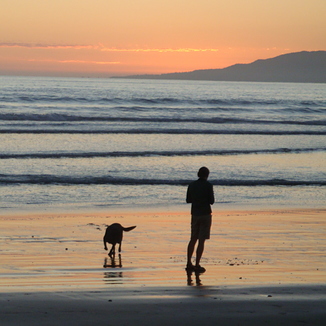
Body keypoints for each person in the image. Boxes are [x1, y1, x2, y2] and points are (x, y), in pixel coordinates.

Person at [186, 166, 214, 273]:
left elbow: (188, 200)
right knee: (201, 240)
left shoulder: (192, 185)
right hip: (205, 214)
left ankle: (189, 262)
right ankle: (197, 264)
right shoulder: (208, 185)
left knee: (193, 239)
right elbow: (211, 201)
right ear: (207, 175)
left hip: (195, 214)